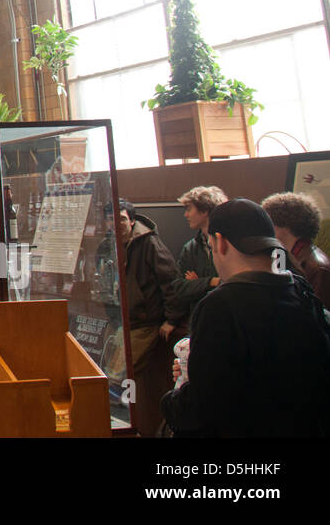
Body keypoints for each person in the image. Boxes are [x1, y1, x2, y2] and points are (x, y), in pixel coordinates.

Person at [162, 198, 330, 437]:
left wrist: (173, 399)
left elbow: (202, 408)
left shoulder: (220, 306)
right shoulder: (301, 291)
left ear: (220, 242)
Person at [117, 199, 184, 437]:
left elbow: (171, 282)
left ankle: (129, 426)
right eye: (112, 218)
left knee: (122, 373)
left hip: (145, 321)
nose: (117, 223)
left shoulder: (149, 243)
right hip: (123, 320)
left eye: (122, 218)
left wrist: (171, 319)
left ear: (132, 220)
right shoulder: (111, 243)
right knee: (110, 373)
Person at [169, 185, 227, 330]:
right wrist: (210, 282)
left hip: (225, 324)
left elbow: (229, 287)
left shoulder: (231, 245)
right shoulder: (191, 248)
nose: (185, 215)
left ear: (205, 210)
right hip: (198, 325)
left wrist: (197, 284)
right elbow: (179, 288)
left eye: (189, 209)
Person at [262, 191, 330, 306]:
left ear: (282, 225)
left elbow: (319, 317)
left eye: (267, 222)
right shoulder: (282, 254)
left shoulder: (318, 268)